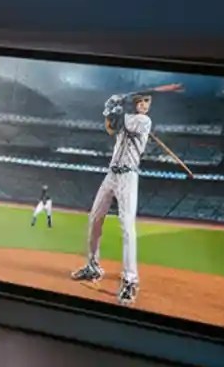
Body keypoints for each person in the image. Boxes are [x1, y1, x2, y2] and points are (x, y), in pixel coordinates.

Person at [71, 93, 153, 306]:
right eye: (141, 101)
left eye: (147, 101)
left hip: (128, 176)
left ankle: (130, 280)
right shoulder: (129, 118)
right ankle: (93, 266)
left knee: (127, 227)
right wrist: (111, 110)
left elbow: (117, 121)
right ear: (135, 103)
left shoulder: (144, 121)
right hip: (112, 174)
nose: (144, 104)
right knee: (95, 218)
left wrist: (111, 106)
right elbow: (110, 128)